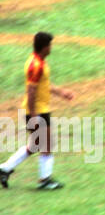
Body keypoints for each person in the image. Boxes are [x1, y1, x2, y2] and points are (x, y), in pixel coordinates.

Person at [0, 33, 75, 190]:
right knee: (47, 144)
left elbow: (43, 85)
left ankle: (5, 169)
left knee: (35, 145)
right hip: (36, 111)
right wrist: (34, 115)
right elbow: (31, 90)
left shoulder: (39, 61)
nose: (51, 48)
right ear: (45, 47)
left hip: (40, 109)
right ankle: (45, 180)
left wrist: (61, 92)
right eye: (50, 45)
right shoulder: (36, 65)